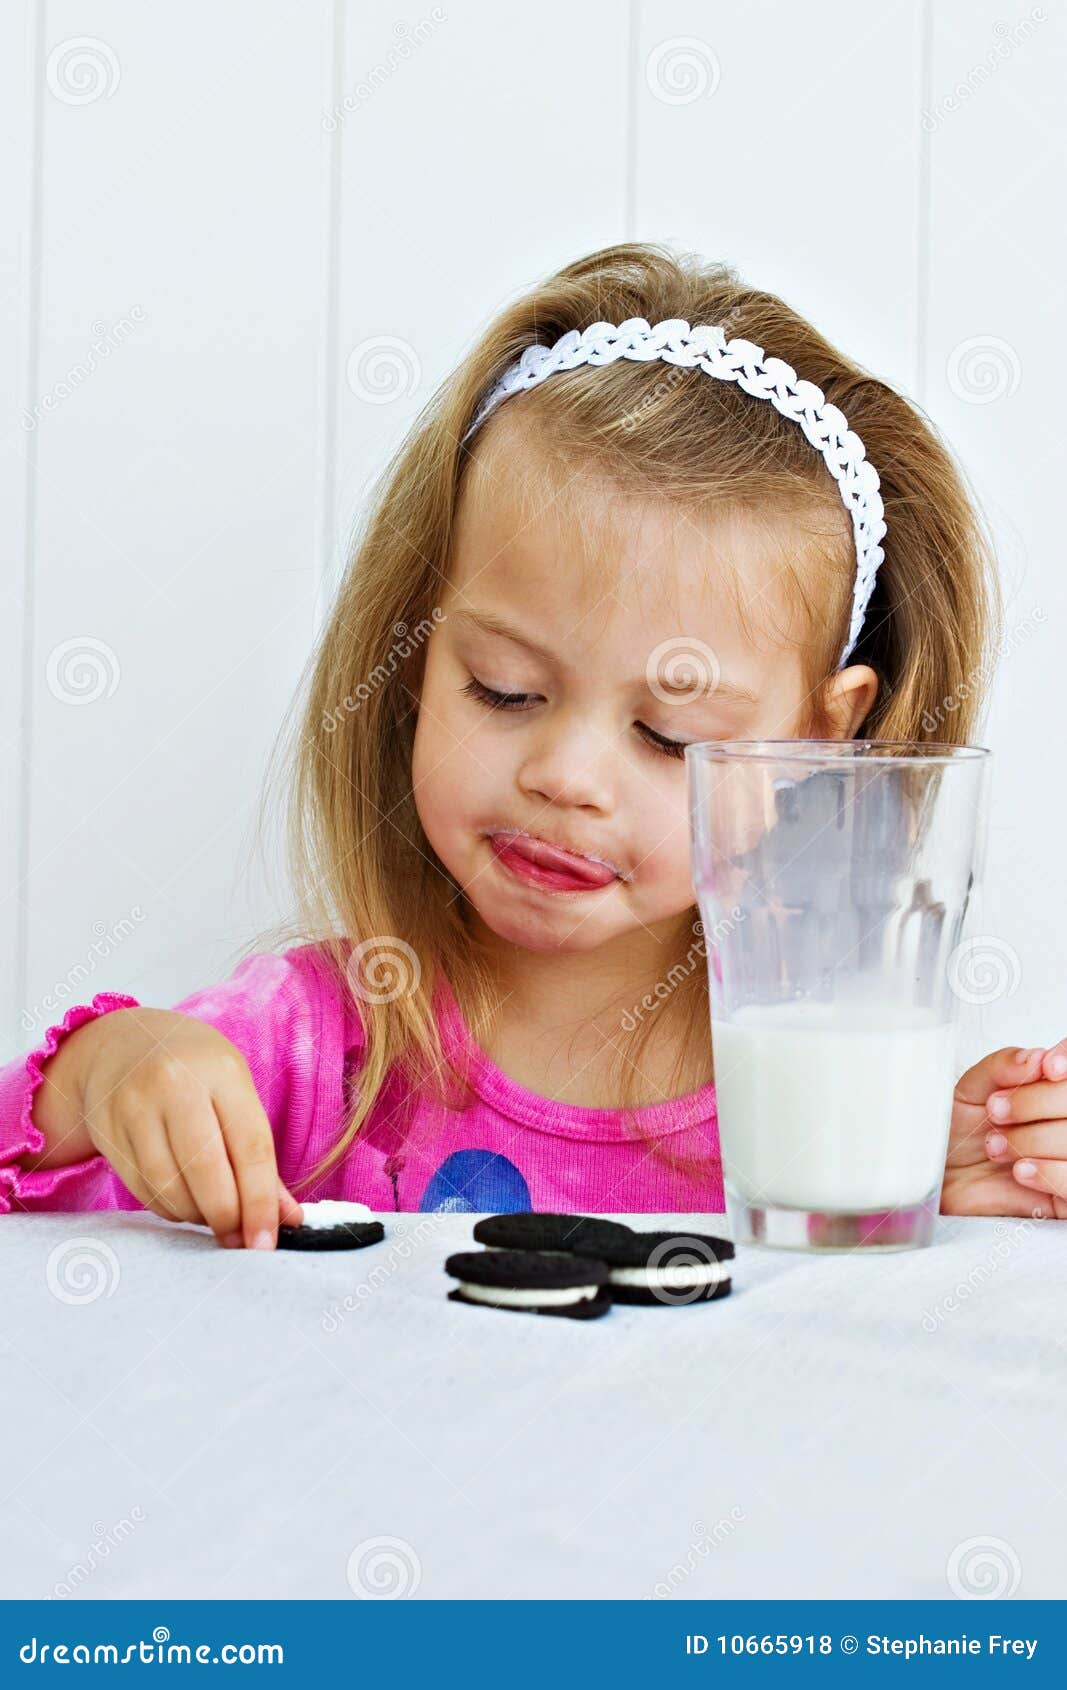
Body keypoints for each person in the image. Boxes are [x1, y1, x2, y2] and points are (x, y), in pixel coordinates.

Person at [4, 243, 1064, 1247]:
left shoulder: (834, 1104)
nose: (563, 776)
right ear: (415, 650)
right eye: (504, 690)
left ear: (813, 741)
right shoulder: (317, 1050)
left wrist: (964, 1186)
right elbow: (32, 1172)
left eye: (664, 733)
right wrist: (107, 1072)